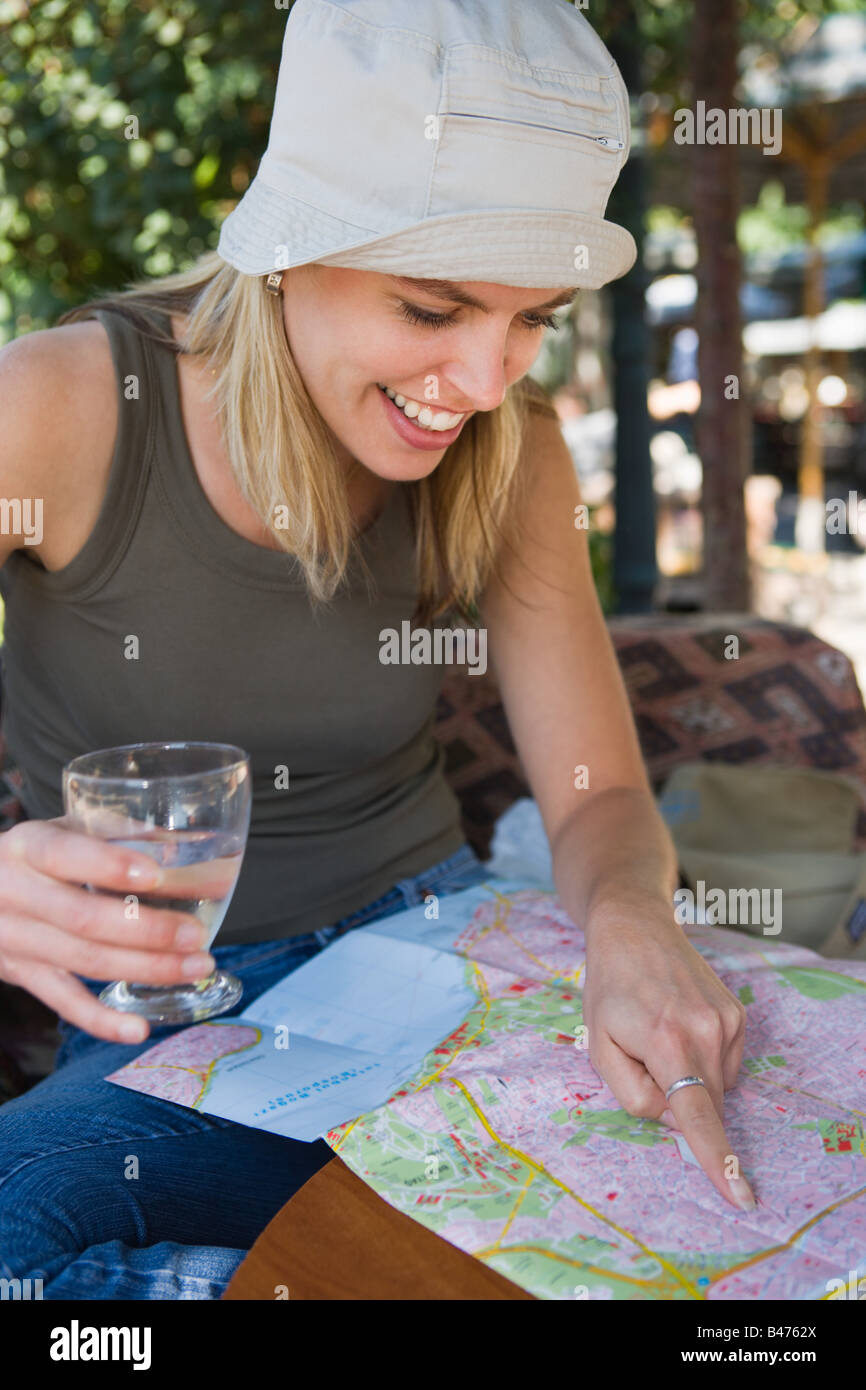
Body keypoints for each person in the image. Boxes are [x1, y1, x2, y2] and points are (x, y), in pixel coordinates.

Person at [0, 0, 752, 1301]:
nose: (478, 380)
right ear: (290, 247)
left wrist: (632, 922)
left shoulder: (514, 452)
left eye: (534, 320)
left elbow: (601, 796)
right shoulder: (62, 408)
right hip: (175, 1031)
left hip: (444, 962)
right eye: (430, 307)